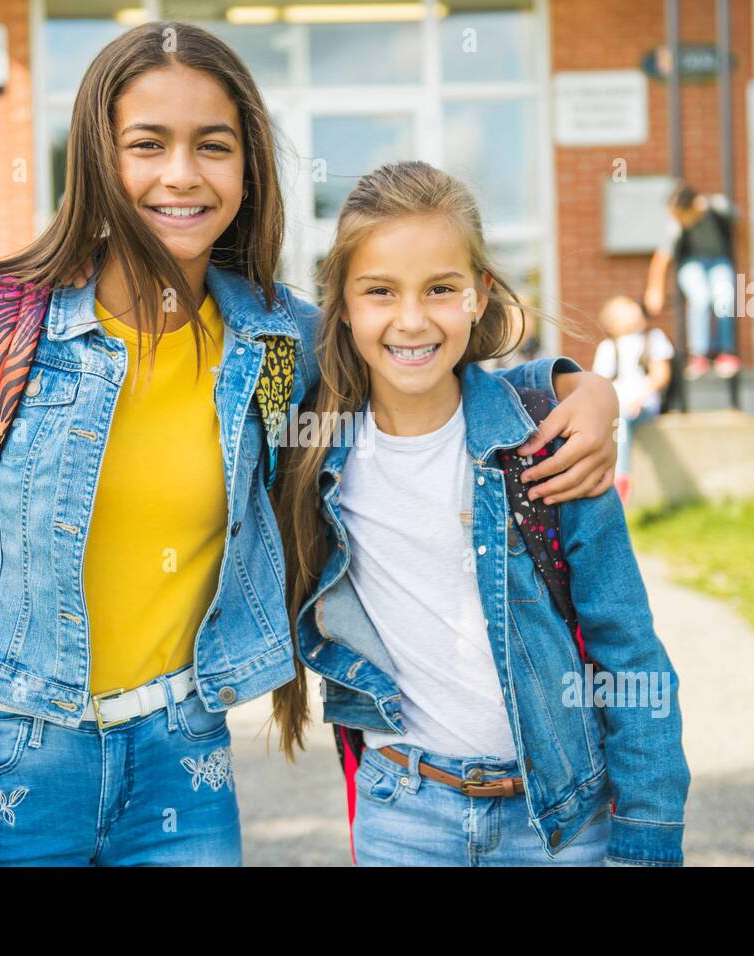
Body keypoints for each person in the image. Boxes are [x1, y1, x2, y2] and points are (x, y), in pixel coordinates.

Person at [0, 22, 624, 866]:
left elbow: (421, 367)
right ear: (98, 158)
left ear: (248, 167)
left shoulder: (279, 343)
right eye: (147, 144)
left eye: (212, 146)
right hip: (15, 760)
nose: (181, 174)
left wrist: (578, 389)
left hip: (184, 756)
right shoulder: (0, 326)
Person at [270, 161, 690, 867]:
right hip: (403, 818)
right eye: (379, 291)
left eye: (441, 289)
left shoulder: (547, 442)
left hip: (559, 823)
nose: (411, 319)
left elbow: (630, 652)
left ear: (480, 295)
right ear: (340, 304)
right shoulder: (312, 451)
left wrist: (647, 844)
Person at [643, 182, 739, 379]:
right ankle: (699, 354)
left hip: (719, 260)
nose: (676, 219)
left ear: (692, 207)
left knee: (724, 297)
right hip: (692, 262)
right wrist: (655, 289)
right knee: (700, 298)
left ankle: (725, 352)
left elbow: (742, 226)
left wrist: (748, 257)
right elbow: (662, 257)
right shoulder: (676, 225)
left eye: (678, 214)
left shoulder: (718, 208)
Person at [592, 295, 674, 503]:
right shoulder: (608, 347)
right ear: (612, 324)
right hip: (618, 409)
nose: (635, 309)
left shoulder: (653, 338)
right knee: (617, 420)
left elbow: (660, 376)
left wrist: (639, 398)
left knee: (621, 419)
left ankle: (620, 479)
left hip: (643, 406)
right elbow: (601, 384)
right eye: (626, 309)